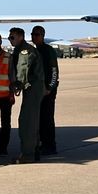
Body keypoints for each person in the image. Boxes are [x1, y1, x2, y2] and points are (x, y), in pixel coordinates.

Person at [8, 27, 45, 163]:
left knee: (27, 122)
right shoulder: (20, 49)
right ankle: (34, 152)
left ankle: (27, 155)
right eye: (9, 37)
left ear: (20, 37)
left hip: (33, 88)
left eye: (12, 37)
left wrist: (16, 85)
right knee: (32, 120)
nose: (10, 40)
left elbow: (23, 70)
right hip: (33, 88)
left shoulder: (25, 52)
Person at [31, 25, 60, 155]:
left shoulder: (48, 50)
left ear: (43, 36)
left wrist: (49, 88)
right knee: (40, 118)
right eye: (33, 34)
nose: (34, 37)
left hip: (47, 90)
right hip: (38, 89)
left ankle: (50, 145)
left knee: (47, 118)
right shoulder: (35, 50)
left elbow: (54, 71)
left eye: (37, 34)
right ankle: (42, 143)